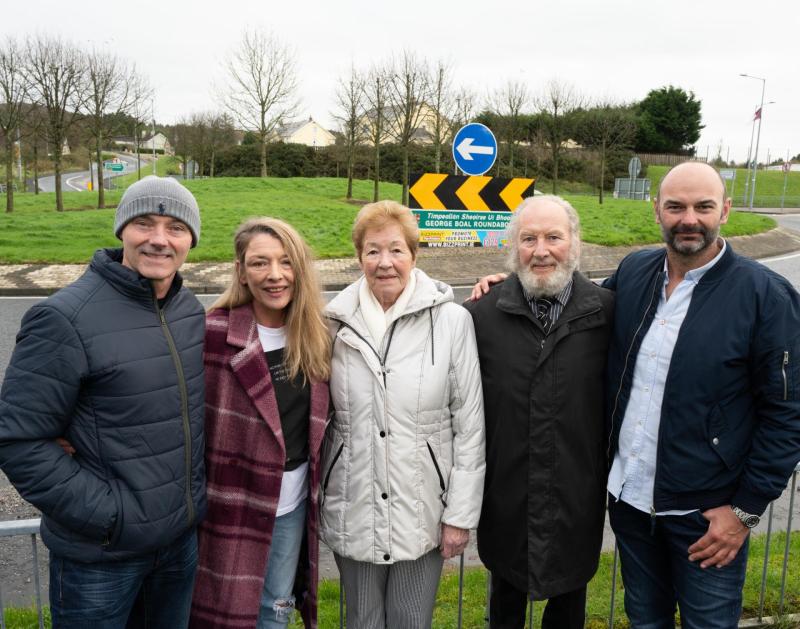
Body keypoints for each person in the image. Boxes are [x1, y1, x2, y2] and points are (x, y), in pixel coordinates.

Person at [0, 176, 206, 628]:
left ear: (191, 238)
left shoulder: (188, 311)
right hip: (101, 557)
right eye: (144, 224)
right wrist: (109, 516)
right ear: (122, 231)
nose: (159, 239)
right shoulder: (63, 317)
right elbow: (18, 441)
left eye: (175, 227)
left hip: (177, 547)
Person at [604, 161, 800, 628]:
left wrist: (745, 511)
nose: (688, 218)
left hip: (708, 517)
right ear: (657, 212)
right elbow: (579, 313)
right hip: (630, 503)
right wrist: (504, 290)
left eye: (703, 207)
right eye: (676, 206)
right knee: (644, 621)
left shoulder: (766, 296)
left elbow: (787, 414)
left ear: (725, 211)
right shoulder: (634, 271)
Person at [320, 200, 485, 629]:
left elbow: (469, 425)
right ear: (358, 257)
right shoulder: (332, 324)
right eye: (373, 250)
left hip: (424, 509)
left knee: (412, 620)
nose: (385, 263)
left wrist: (460, 516)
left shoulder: (452, 322)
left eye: (396, 250)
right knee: (361, 621)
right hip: (353, 504)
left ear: (414, 254)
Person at [464, 195, 614, 629]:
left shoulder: (605, 312)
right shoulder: (481, 314)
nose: (542, 250)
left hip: (576, 500)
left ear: (575, 242)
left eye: (553, 237)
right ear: (512, 246)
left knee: (568, 611)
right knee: (504, 611)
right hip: (506, 498)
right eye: (528, 238)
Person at [189, 217, 331, 629]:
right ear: (240, 271)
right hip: (230, 503)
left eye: (286, 262)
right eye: (260, 263)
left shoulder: (316, 334)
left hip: (292, 502)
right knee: (223, 612)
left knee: (277, 606)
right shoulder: (211, 333)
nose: (275, 276)